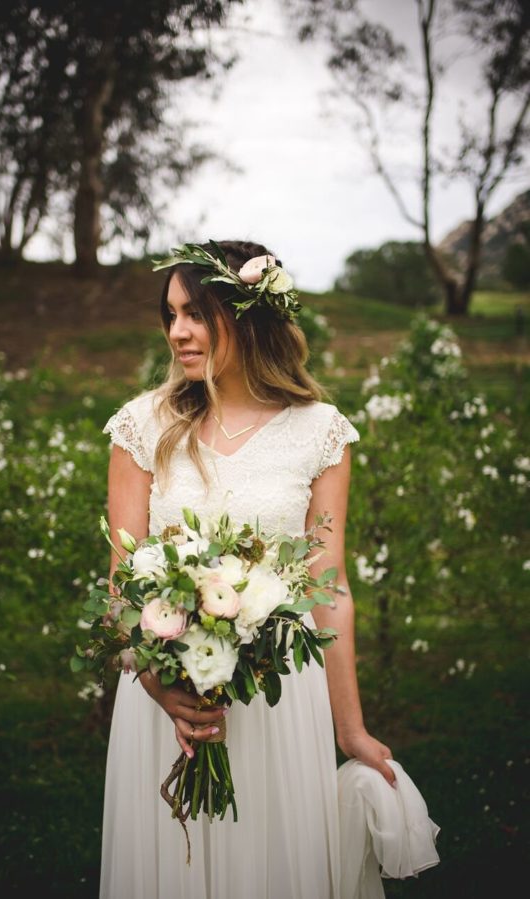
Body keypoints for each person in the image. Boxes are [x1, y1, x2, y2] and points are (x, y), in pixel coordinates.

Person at [99, 240, 395, 899]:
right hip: (163, 695)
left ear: (249, 315)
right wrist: (156, 682)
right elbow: (122, 577)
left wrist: (350, 728)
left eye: (197, 313)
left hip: (279, 696)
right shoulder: (144, 425)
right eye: (171, 313)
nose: (178, 330)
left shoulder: (319, 431)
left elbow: (330, 585)